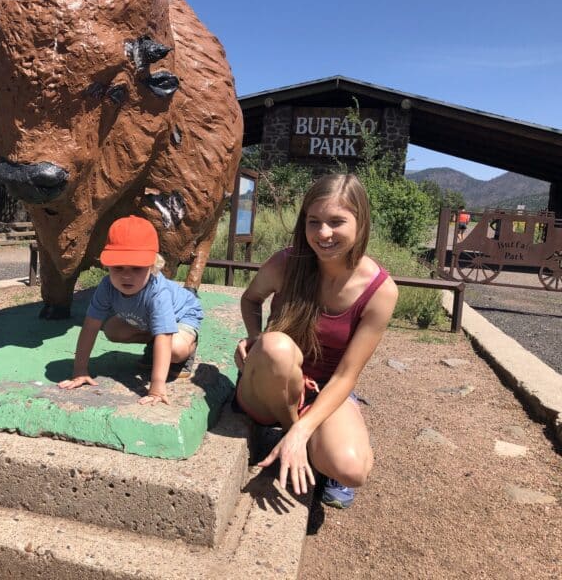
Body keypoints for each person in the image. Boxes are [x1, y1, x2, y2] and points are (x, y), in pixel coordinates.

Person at [233, 173, 398, 509]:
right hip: (273, 382)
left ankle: (305, 438)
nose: (323, 234)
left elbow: (346, 376)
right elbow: (251, 299)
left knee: (352, 470)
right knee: (275, 348)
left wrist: (305, 429)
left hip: (326, 389)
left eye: (337, 222)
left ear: (361, 222)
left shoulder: (380, 290)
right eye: (314, 222)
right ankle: (293, 431)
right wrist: (254, 339)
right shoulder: (286, 263)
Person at [59, 216, 203, 405]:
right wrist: (80, 371)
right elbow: (90, 326)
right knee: (111, 330)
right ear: (107, 266)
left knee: (175, 349)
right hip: (147, 320)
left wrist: (157, 387)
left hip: (183, 314)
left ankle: (189, 347)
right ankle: (155, 346)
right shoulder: (106, 287)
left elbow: (165, 335)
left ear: (153, 266)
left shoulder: (157, 291)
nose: (126, 276)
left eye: (136, 268)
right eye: (118, 267)